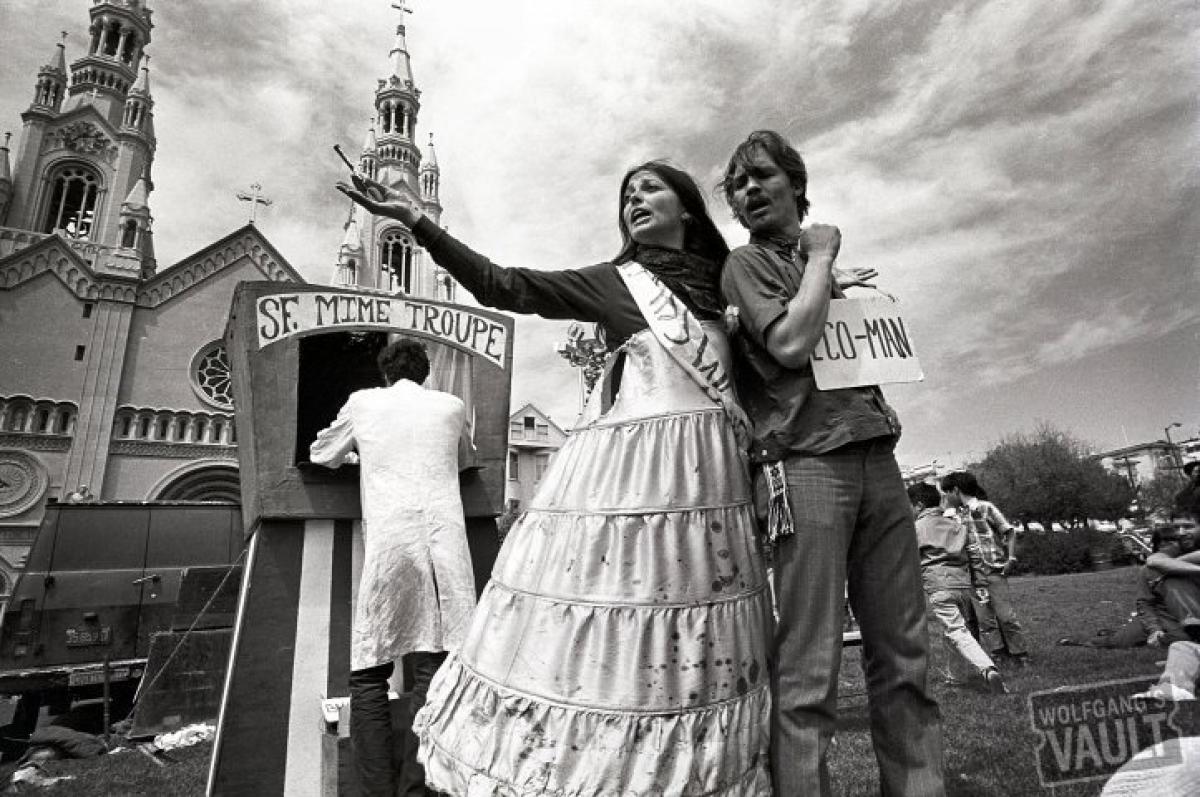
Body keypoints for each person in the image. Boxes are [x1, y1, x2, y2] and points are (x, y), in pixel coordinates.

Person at [339, 161, 773, 794]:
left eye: (649, 189)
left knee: (699, 630)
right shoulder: (614, 282)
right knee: (625, 620)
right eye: (626, 196)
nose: (634, 202)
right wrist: (416, 224)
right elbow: (504, 285)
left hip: (712, 485)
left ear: (687, 207)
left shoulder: (729, 279)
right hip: (638, 484)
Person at [718, 129, 944, 797]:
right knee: (810, 666)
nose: (750, 189)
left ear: (795, 182)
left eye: (762, 175)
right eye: (739, 184)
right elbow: (789, 342)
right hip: (806, 467)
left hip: (875, 455)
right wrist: (821, 255)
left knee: (905, 653)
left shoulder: (818, 273)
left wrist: (823, 272)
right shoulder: (747, 266)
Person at [309, 338, 476, 797]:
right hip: (446, 547)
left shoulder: (363, 402)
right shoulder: (452, 405)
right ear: (425, 374)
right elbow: (465, 459)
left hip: (392, 542)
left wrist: (364, 455)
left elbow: (322, 453)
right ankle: (416, 789)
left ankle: (378, 791)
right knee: (433, 668)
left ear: (385, 373)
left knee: (369, 670)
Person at [907, 482, 1007, 694]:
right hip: (963, 586)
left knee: (956, 630)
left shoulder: (915, 529)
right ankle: (956, 678)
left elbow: (911, 562)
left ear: (919, 505)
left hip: (938, 585)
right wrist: (979, 582)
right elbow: (974, 554)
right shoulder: (957, 524)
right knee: (952, 632)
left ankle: (987, 669)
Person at [939, 471, 1031, 667]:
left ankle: (1020, 653)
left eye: (947, 492)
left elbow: (1009, 531)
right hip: (972, 576)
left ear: (956, 490)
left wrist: (1011, 558)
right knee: (985, 620)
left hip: (994, 570)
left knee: (1006, 616)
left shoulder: (985, 508)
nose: (945, 497)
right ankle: (999, 653)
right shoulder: (953, 517)